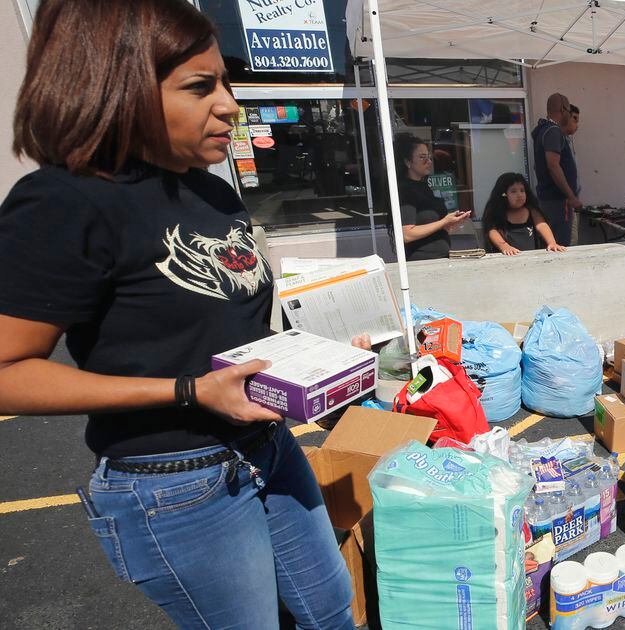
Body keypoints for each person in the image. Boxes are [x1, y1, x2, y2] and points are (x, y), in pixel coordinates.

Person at [0, 1, 357, 627]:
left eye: (226, 82)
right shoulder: (64, 201)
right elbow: (7, 370)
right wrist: (189, 391)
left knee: (330, 610)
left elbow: (218, 329)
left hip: (269, 448)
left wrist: (310, 366)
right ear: (121, 91)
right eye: (200, 87)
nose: (231, 105)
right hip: (174, 485)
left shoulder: (213, 191)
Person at [396, 132, 472, 261]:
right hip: (422, 260)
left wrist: (451, 223)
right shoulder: (405, 190)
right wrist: (444, 222)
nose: (429, 161)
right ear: (408, 162)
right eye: (422, 157)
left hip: (440, 256)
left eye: (429, 157)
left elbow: (432, 226)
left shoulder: (423, 186)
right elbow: (406, 234)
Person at [531, 93, 581, 247]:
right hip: (558, 200)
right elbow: (553, 166)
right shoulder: (553, 131)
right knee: (561, 245)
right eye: (568, 111)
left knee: (554, 244)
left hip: (549, 199)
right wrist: (571, 196)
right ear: (562, 109)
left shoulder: (543, 129)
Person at [482, 172, 567, 255]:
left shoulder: (531, 211)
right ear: (503, 195)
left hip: (532, 257)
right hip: (508, 258)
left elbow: (542, 225)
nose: (519, 195)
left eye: (522, 191)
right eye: (513, 191)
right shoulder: (497, 215)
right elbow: (492, 232)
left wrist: (552, 242)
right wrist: (504, 247)